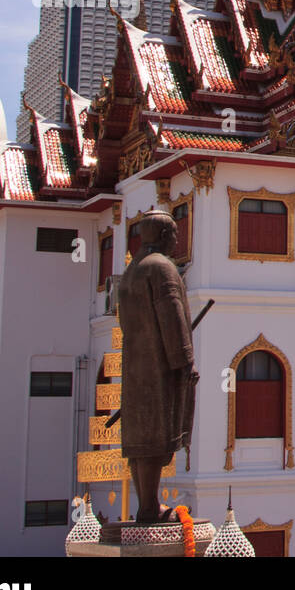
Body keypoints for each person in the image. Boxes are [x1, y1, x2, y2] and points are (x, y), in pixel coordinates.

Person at [117, 210, 198, 523]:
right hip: (159, 365)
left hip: (136, 364)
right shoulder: (162, 268)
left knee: (140, 440)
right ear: (165, 235)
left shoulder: (132, 271)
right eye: (175, 234)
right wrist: (185, 360)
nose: (177, 240)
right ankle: (150, 507)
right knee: (155, 437)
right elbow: (172, 318)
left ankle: (146, 504)